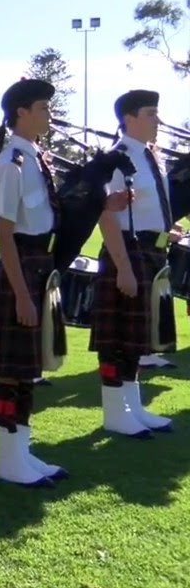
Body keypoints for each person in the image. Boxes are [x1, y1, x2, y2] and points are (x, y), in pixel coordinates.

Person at [0, 78, 71, 486]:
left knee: (28, 369)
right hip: (21, 269)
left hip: (39, 267)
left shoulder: (36, 157)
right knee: (11, 372)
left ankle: (21, 453)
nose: (49, 113)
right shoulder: (9, 162)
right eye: (42, 107)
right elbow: (4, 233)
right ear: (21, 112)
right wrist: (20, 294)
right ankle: (8, 460)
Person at [88, 89, 178, 433]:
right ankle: (115, 413)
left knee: (136, 338)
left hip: (152, 252)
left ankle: (132, 408)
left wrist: (166, 230)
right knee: (118, 340)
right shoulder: (116, 158)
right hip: (126, 252)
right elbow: (107, 216)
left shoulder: (152, 157)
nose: (158, 120)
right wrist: (123, 266)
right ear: (129, 119)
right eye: (151, 114)